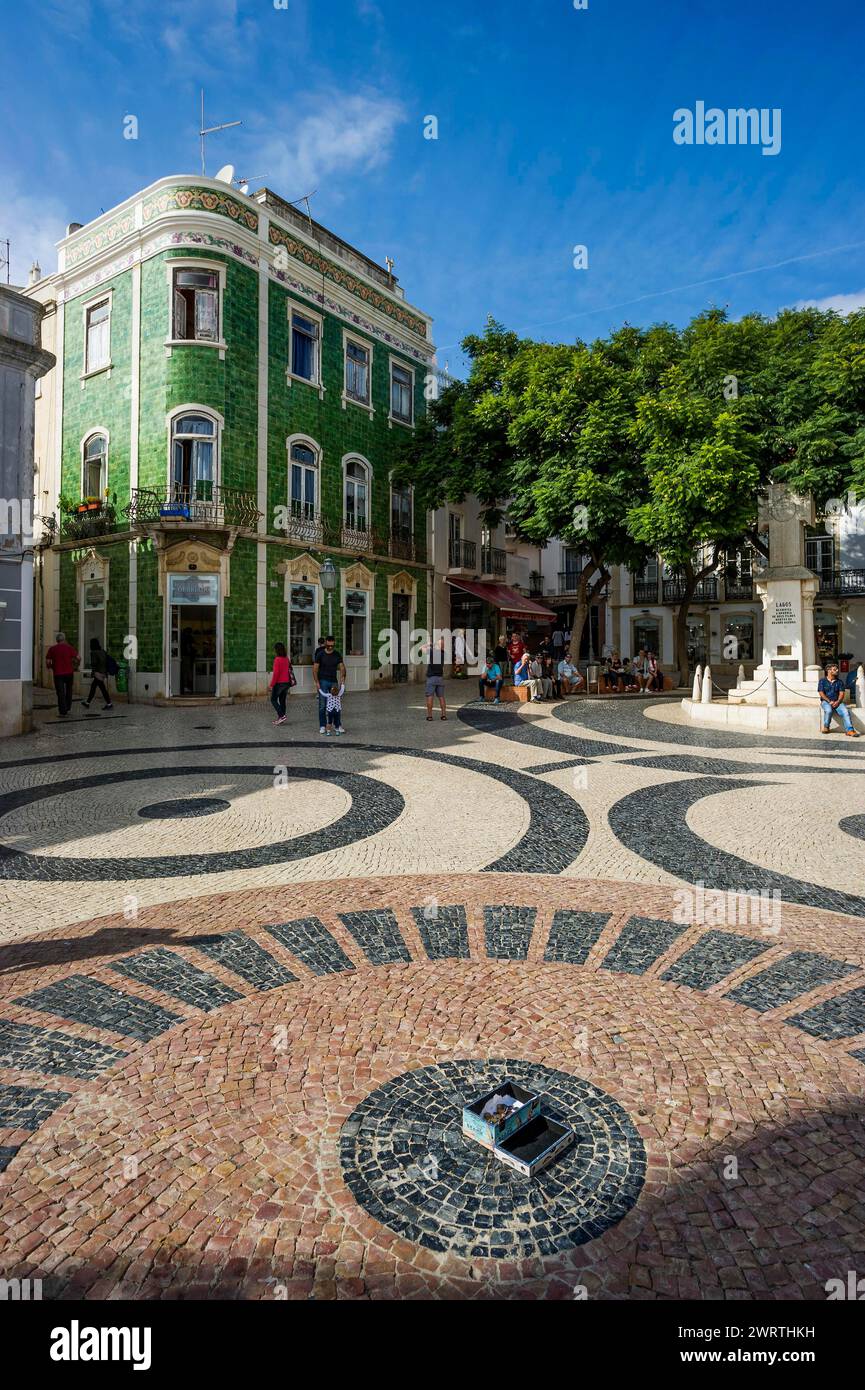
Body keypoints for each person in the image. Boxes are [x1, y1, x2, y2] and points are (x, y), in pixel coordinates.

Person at [313, 635, 346, 734]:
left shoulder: (337, 654)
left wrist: (342, 679)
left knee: (336, 704)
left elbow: (342, 667)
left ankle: (338, 725)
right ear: (326, 643)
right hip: (323, 681)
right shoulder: (320, 654)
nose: (331, 647)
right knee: (322, 705)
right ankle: (322, 726)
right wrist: (317, 682)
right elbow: (315, 669)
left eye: (332, 645)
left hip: (333, 681)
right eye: (329, 645)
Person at [819, 663, 859, 736]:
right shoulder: (822, 681)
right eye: (835, 669)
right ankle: (826, 727)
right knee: (828, 710)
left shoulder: (839, 682)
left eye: (837, 669)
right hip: (826, 702)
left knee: (845, 712)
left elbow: (841, 694)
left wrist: (838, 702)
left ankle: (850, 730)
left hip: (838, 702)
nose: (837, 670)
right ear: (829, 670)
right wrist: (829, 701)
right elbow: (821, 693)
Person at [45, 631, 80, 717]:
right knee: (69, 691)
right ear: (64, 639)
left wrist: (50, 666)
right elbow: (78, 657)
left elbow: (48, 661)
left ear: (57, 640)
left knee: (60, 692)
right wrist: (76, 666)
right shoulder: (69, 648)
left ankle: (62, 711)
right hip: (69, 672)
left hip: (58, 673)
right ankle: (67, 707)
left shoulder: (52, 649)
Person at [81, 637, 114, 710]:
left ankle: (109, 704)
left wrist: (93, 673)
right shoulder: (103, 651)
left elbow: (94, 664)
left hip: (98, 673)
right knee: (94, 687)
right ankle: (87, 703)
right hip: (103, 672)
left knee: (102, 689)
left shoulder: (93, 652)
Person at [269, 641, 293, 725]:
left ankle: (282, 716)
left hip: (279, 683)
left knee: (273, 699)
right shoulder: (286, 659)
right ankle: (281, 719)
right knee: (282, 701)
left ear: (276, 650)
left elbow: (276, 673)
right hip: (286, 683)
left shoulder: (277, 659)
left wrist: (271, 685)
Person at [424, 637, 447, 720]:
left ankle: (430, 716)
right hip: (440, 678)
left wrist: (429, 644)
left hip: (431, 678)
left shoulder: (431, 652)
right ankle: (443, 715)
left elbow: (421, 648)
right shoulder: (443, 653)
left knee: (430, 696)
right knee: (441, 697)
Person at [180, 627, 195, 695]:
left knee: (185, 672)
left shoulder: (182, 637)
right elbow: (191, 646)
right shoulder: (189, 638)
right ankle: (189, 687)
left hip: (184, 656)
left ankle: (186, 687)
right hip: (187, 656)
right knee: (188, 671)